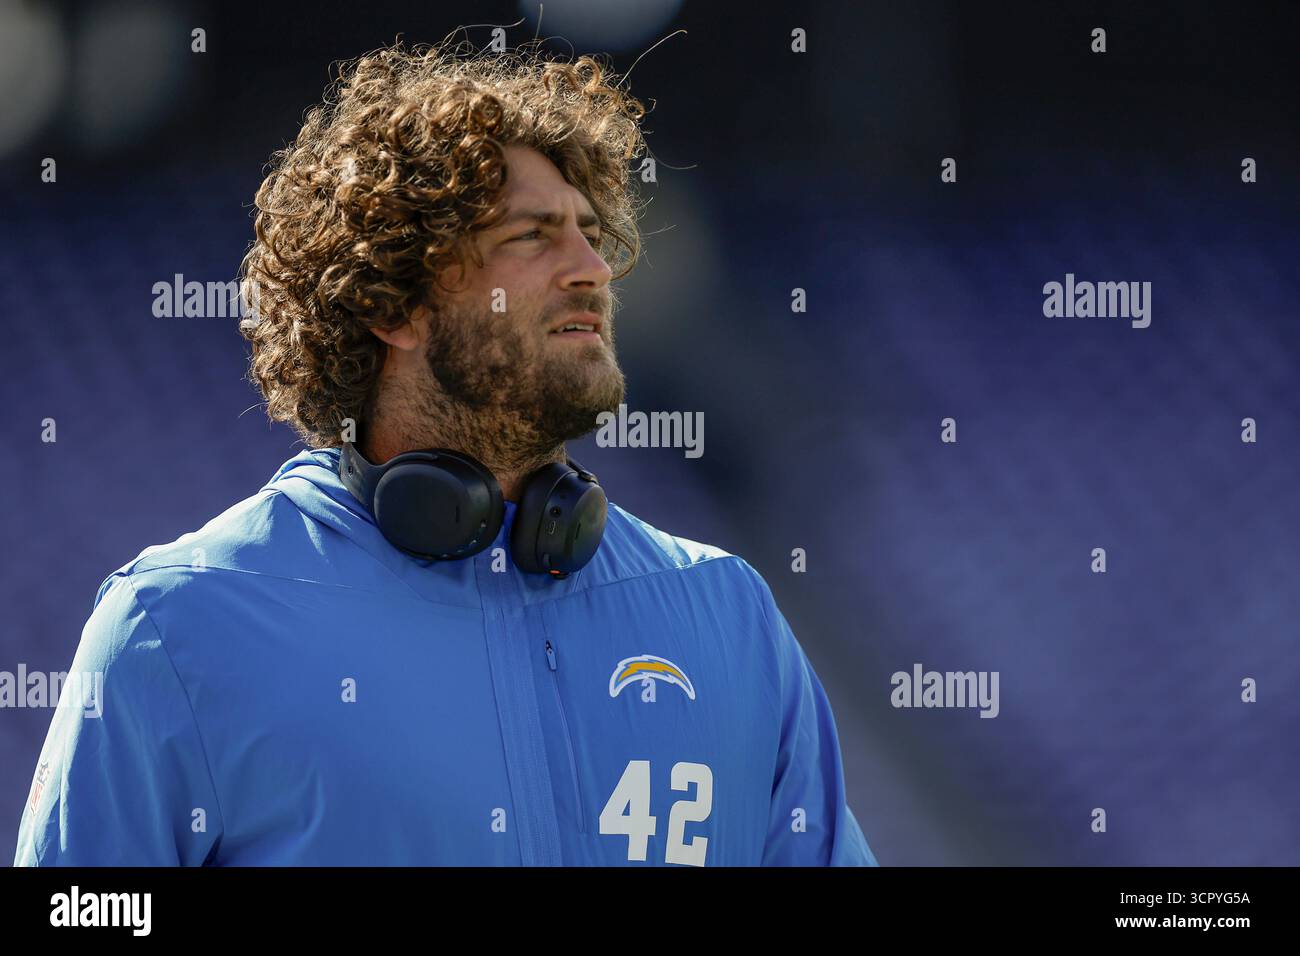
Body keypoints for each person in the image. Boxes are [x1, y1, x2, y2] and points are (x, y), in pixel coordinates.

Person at [14, 39, 877, 866]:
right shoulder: (179, 625)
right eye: (531, 237)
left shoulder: (727, 616)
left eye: (587, 232)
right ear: (394, 305)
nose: (591, 269)